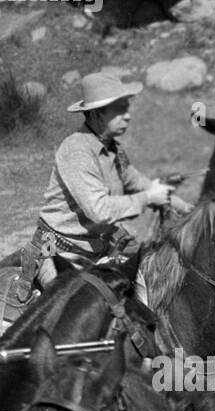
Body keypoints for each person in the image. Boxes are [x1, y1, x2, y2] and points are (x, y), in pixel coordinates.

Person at [17, 73, 188, 298]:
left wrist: (176, 201)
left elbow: (135, 181)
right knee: (80, 313)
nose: (127, 117)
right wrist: (148, 198)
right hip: (60, 255)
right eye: (119, 110)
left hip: (99, 250)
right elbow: (99, 210)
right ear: (96, 114)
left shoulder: (112, 149)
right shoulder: (76, 150)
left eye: (127, 109)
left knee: (144, 301)